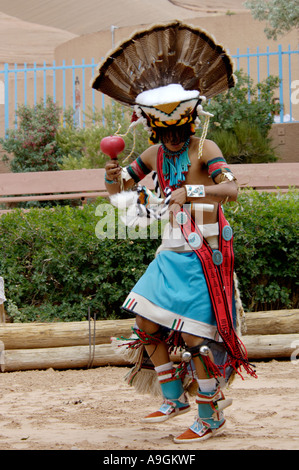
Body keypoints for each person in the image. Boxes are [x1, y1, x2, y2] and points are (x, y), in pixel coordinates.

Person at [92, 21, 256, 444]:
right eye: (163, 131)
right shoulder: (151, 153)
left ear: (190, 121)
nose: (172, 137)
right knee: (145, 321)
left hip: (207, 253)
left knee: (195, 338)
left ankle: (210, 414)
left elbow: (232, 190)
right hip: (171, 251)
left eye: (177, 129)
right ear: (152, 128)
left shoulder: (207, 149)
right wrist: (111, 174)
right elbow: (119, 191)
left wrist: (190, 190)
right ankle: (172, 396)